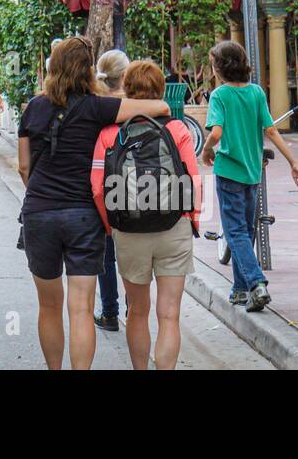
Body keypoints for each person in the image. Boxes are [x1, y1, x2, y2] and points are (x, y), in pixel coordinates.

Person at [16, 36, 171, 370]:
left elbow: (24, 167)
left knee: (48, 306)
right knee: (82, 307)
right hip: (84, 215)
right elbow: (159, 107)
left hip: (39, 214)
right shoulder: (98, 107)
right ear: (87, 71)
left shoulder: (34, 107)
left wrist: (41, 195)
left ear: (53, 68)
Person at [91, 60, 201, 369]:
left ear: (127, 89)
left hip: (128, 228)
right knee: (169, 314)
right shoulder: (177, 129)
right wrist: (192, 219)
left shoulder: (110, 134)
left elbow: (98, 188)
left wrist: (110, 226)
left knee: (137, 311)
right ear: (161, 90)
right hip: (173, 226)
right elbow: (192, 180)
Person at [202, 40, 298, 312]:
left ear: (220, 67)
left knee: (234, 232)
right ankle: (240, 289)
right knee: (245, 231)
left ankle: (256, 282)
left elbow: (216, 133)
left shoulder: (220, 95)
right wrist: (293, 162)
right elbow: (271, 131)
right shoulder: (257, 93)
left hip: (228, 173)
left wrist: (205, 151)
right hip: (252, 173)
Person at [92, 49, 130, 333]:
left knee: (107, 254)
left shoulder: (93, 107)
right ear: (125, 75)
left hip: (103, 190)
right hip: (135, 189)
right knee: (132, 253)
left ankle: (109, 312)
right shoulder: (138, 106)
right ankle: (135, 309)